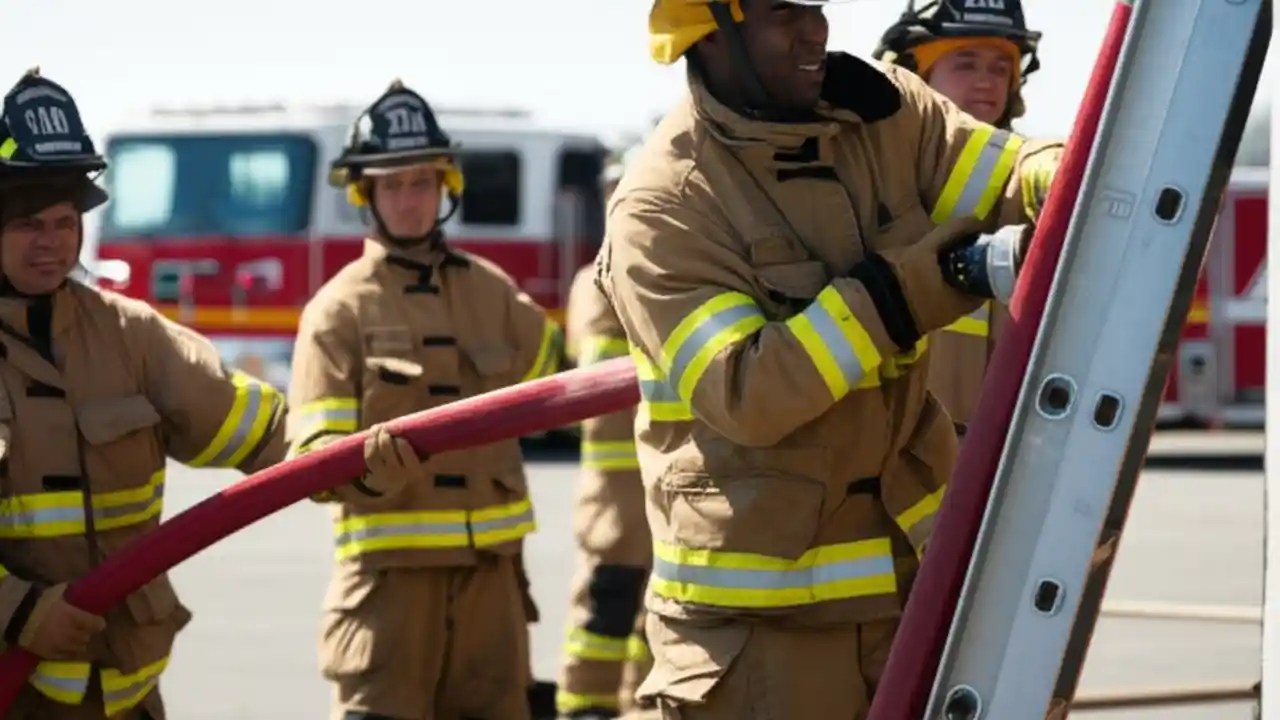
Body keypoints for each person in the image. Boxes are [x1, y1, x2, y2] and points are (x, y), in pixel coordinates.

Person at [595, 1, 1064, 717]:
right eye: (786, 12)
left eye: (817, 5)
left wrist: (1076, 177)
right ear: (711, 31)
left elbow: (1005, 171)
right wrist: (907, 294)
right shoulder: (664, 208)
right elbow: (748, 390)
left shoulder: (885, 114)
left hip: (916, 589)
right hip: (762, 642)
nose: (815, 28)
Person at [0, 68, 289, 719]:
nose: (51, 243)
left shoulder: (129, 335)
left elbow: (262, 431)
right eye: (26, 225)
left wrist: (350, 454)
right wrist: (18, 610)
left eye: (64, 221)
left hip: (125, 699)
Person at [287, 78, 563, 720]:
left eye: (422, 182)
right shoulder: (337, 311)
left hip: (493, 592)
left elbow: (564, 383)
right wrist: (367, 469)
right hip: (389, 596)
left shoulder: (493, 292)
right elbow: (312, 462)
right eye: (392, 184)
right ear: (366, 194)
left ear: (445, 189)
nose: (410, 200)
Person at [873, 0, 1046, 438]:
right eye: (965, 64)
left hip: (996, 442)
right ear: (913, 74)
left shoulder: (1031, 177)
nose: (986, 82)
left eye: (1000, 68)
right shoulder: (871, 171)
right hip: (894, 445)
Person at [556, 146, 654, 720]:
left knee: (655, 618)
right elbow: (600, 381)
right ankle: (585, 707)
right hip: (617, 491)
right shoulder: (598, 283)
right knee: (606, 608)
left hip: (658, 486)